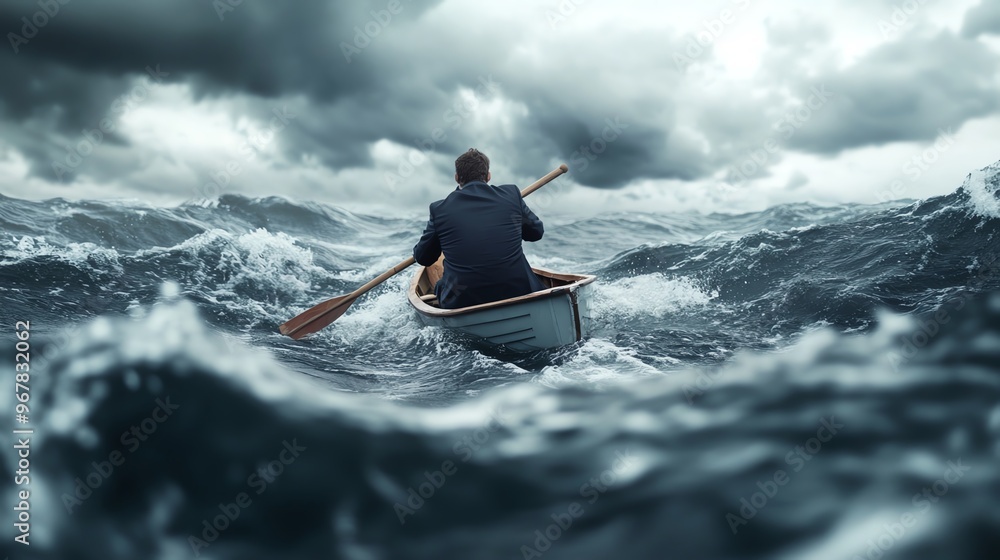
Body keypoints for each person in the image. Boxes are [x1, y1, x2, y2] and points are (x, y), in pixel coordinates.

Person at [413, 148, 547, 309]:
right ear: (488, 175)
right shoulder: (511, 194)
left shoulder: (439, 209)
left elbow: (423, 258)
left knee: (440, 286)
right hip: (518, 291)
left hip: (463, 299)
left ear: (457, 178)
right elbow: (536, 233)